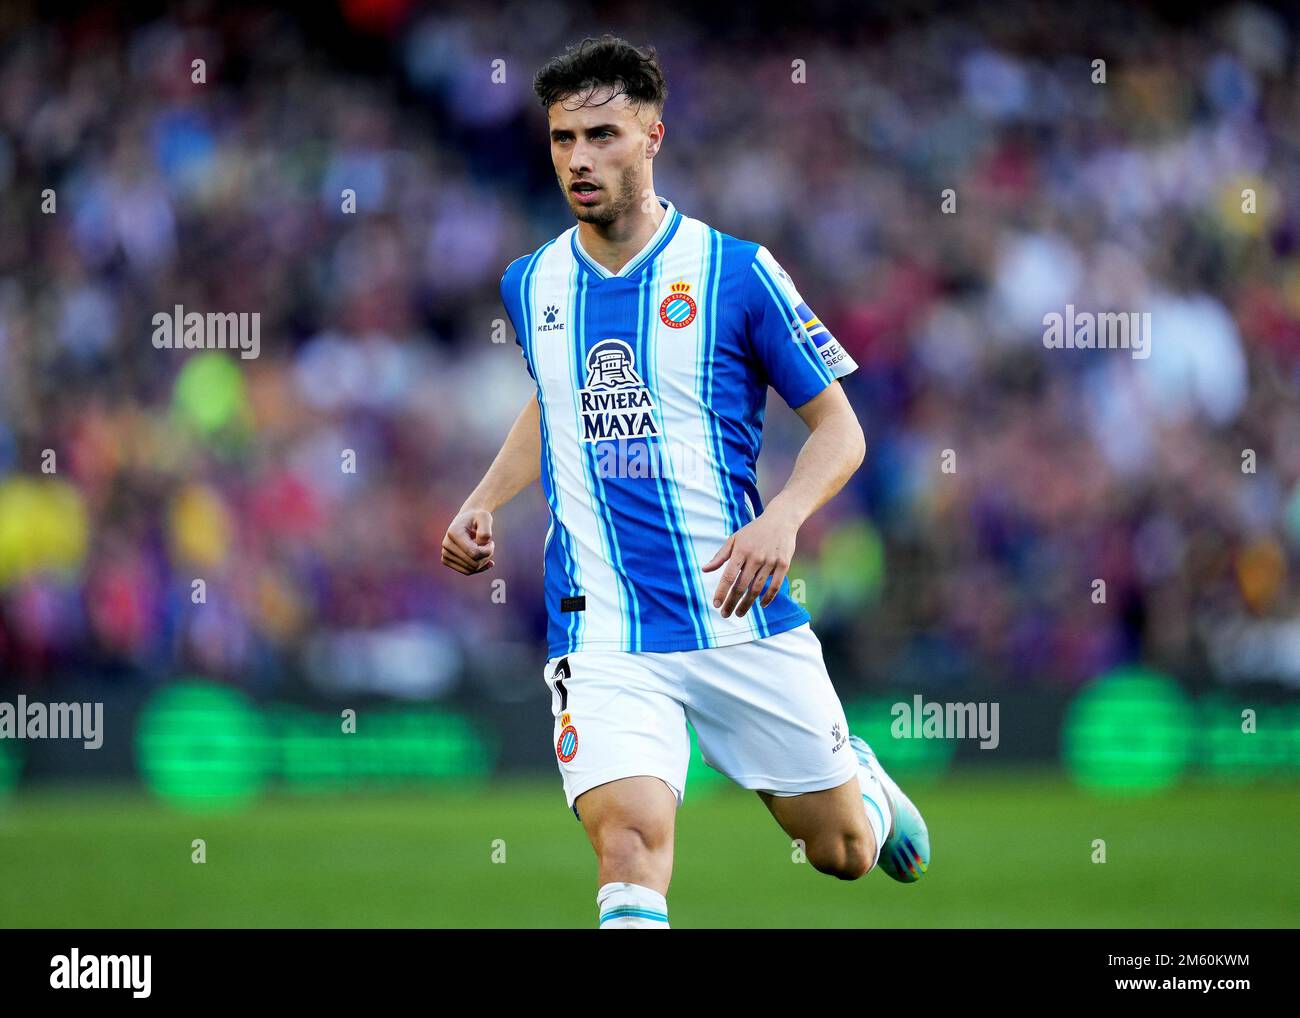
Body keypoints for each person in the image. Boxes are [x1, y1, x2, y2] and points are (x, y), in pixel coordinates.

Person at [442, 34, 929, 929]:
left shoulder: (735, 273)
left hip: (739, 613)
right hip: (603, 632)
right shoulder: (531, 283)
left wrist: (783, 517)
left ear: (654, 136)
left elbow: (840, 428)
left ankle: (861, 788)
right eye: (561, 139)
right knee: (628, 845)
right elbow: (554, 398)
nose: (580, 159)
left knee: (842, 855)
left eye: (603, 135)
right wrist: (483, 500)